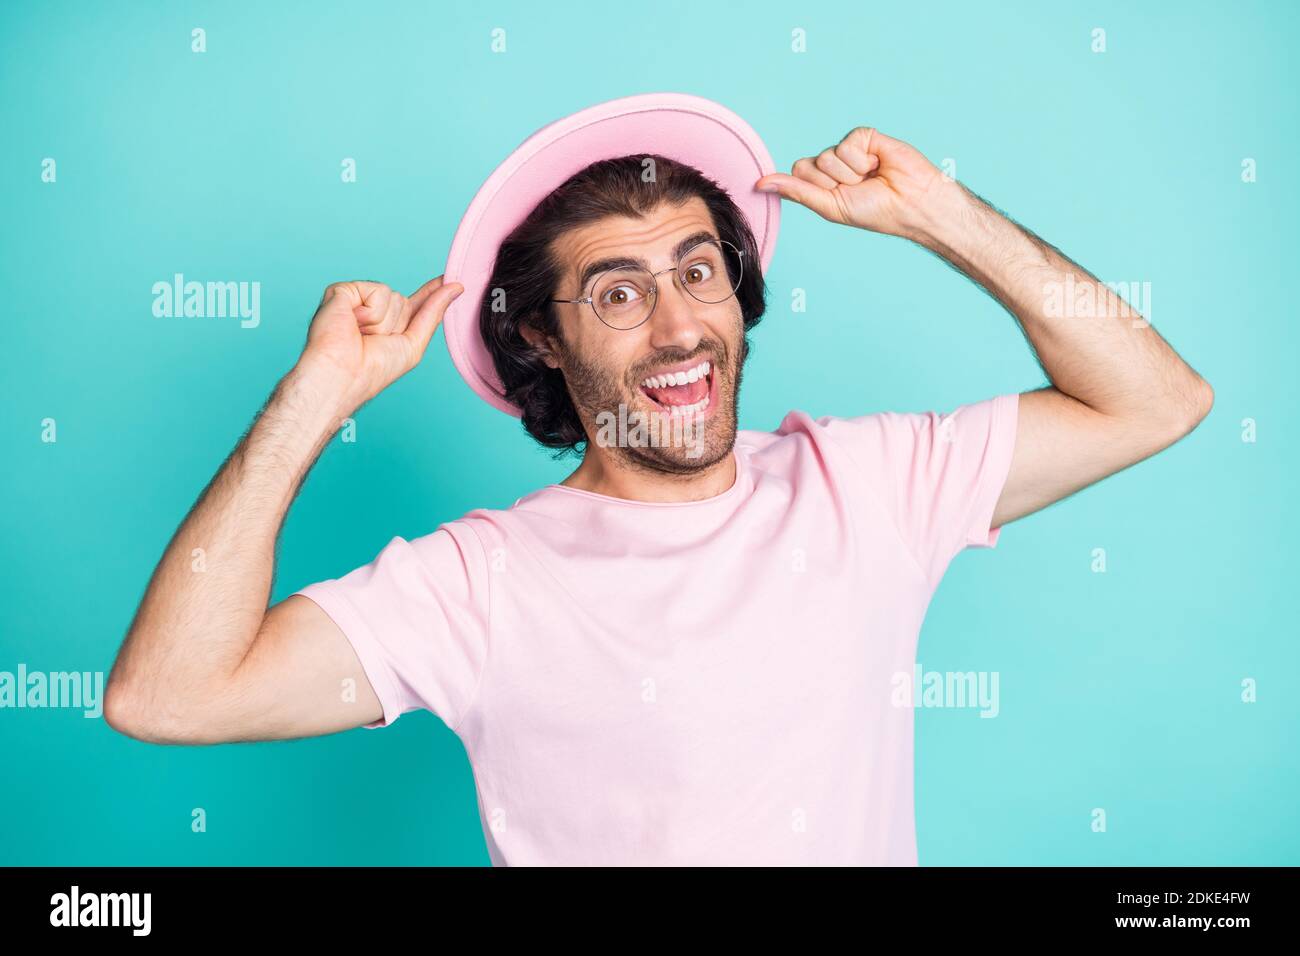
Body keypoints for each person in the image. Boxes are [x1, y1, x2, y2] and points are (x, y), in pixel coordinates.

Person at [104, 114, 1212, 865]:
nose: (681, 324)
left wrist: (943, 217)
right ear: (538, 332)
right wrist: (316, 396)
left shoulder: (865, 485)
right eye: (619, 291)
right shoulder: (479, 581)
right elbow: (168, 696)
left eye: (697, 270)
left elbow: (1155, 399)